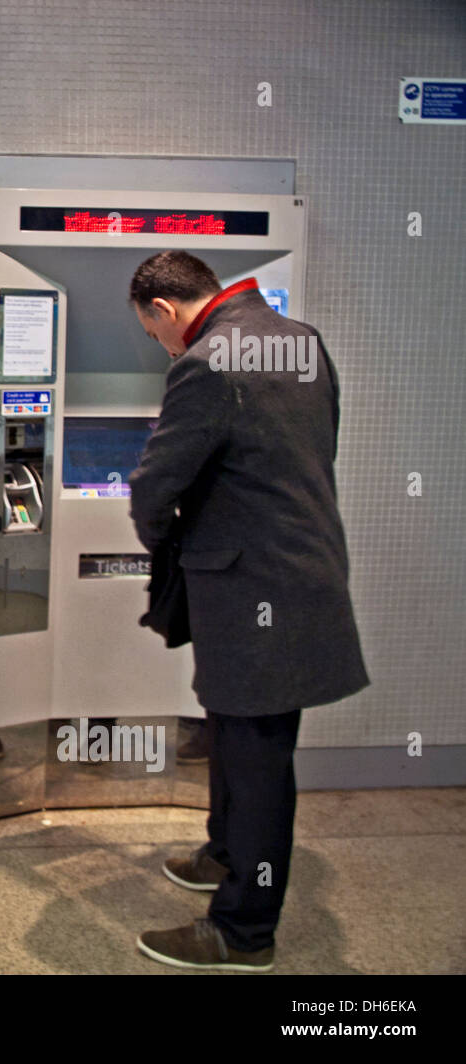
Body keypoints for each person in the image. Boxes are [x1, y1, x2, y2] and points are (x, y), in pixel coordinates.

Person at [126, 250, 369, 971]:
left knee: (258, 755)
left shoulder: (207, 361)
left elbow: (152, 484)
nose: (161, 346)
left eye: (152, 333)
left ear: (166, 311)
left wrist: (165, 541)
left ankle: (242, 932)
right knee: (241, 732)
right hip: (302, 571)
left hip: (250, 585)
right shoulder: (301, 341)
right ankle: (225, 852)